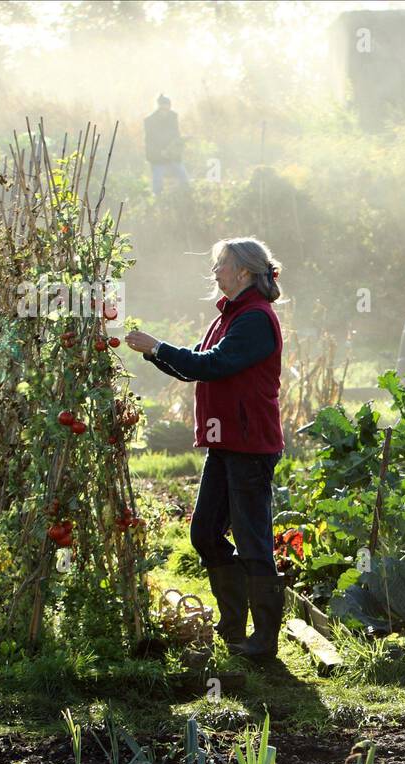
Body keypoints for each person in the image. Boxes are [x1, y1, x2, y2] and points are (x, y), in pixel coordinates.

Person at [125, 237, 286, 661]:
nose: (214, 272)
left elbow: (213, 366)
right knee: (204, 533)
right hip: (226, 443)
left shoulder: (254, 319)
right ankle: (233, 626)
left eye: (220, 265)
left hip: (249, 445)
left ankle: (264, 642)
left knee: (253, 541)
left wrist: (156, 347)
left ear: (244, 272)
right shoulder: (229, 316)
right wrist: (154, 353)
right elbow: (195, 363)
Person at [144, 94, 190, 195]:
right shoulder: (149, 121)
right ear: (159, 107)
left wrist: (180, 144)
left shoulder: (173, 118)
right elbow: (149, 143)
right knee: (158, 182)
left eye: (167, 108)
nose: (165, 111)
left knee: (183, 176)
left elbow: (176, 137)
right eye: (163, 109)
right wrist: (160, 152)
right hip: (157, 159)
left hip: (173, 157)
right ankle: (157, 201)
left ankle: (186, 196)